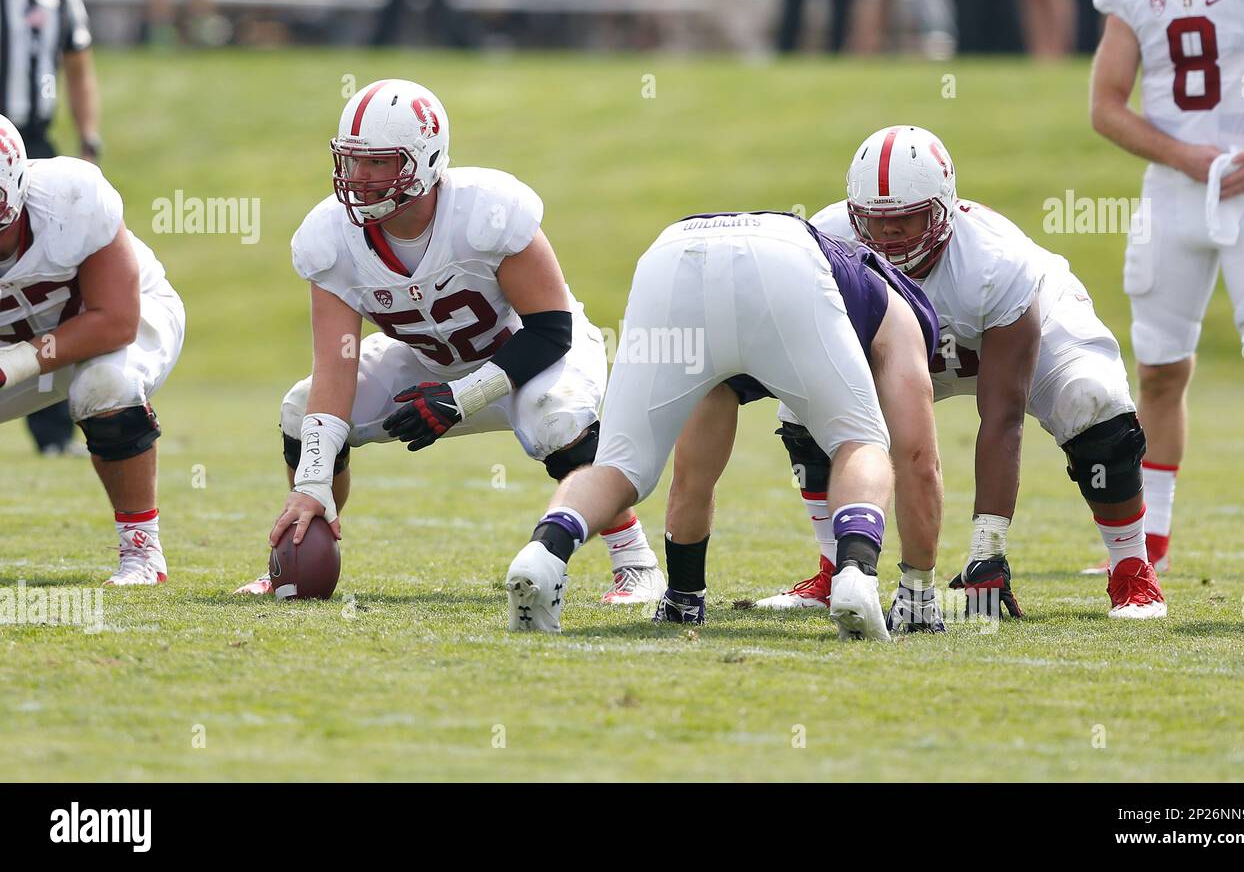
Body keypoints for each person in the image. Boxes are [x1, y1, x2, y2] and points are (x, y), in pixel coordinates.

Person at [236, 78, 665, 604]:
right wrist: (312, 484)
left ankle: (635, 561)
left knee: (558, 419)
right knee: (302, 411)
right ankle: (307, 547)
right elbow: (335, 367)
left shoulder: (487, 211)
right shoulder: (331, 237)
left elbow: (551, 332)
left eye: (379, 163)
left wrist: (463, 399)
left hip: (534, 358)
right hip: (431, 366)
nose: (360, 179)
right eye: (352, 162)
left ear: (425, 159)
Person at [755, 126, 1165, 621]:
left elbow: (1002, 419)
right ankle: (835, 571)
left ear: (944, 207)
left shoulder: (995, 260)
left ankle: (1133, 572)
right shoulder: (828, 240)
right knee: (803, 402)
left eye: (908, 220)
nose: (889, 237)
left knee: (1091, 397)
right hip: (901, 348)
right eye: (875, 222)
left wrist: (986, 551)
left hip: (1023, 333)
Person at [503, 208, 943, 641]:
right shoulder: (896, 310)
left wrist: (683, 595)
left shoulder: (836, 284)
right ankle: (856, 573)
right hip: (782, 263)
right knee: (859, 440)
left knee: (620, 467)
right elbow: (919, 459)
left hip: (672, 257)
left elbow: (693, 475)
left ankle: (544, 553)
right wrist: (920, 591)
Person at [1090, 0, 1244, 573]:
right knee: (1157, 368)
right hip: (1174, 191)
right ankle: (1150, 547)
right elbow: (1105, 105)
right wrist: (1181, 155)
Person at [0, 115, 185, 585]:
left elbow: (116, 320)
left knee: (105, 385)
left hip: (126, 319)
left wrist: (15, 362)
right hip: (18, 349)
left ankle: (143, 555)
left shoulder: (71, 196)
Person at [0, 0, 102, 454]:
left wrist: (89, 136)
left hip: (32, 150)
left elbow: (78, 65)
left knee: (52, 291)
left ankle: (57, 433)